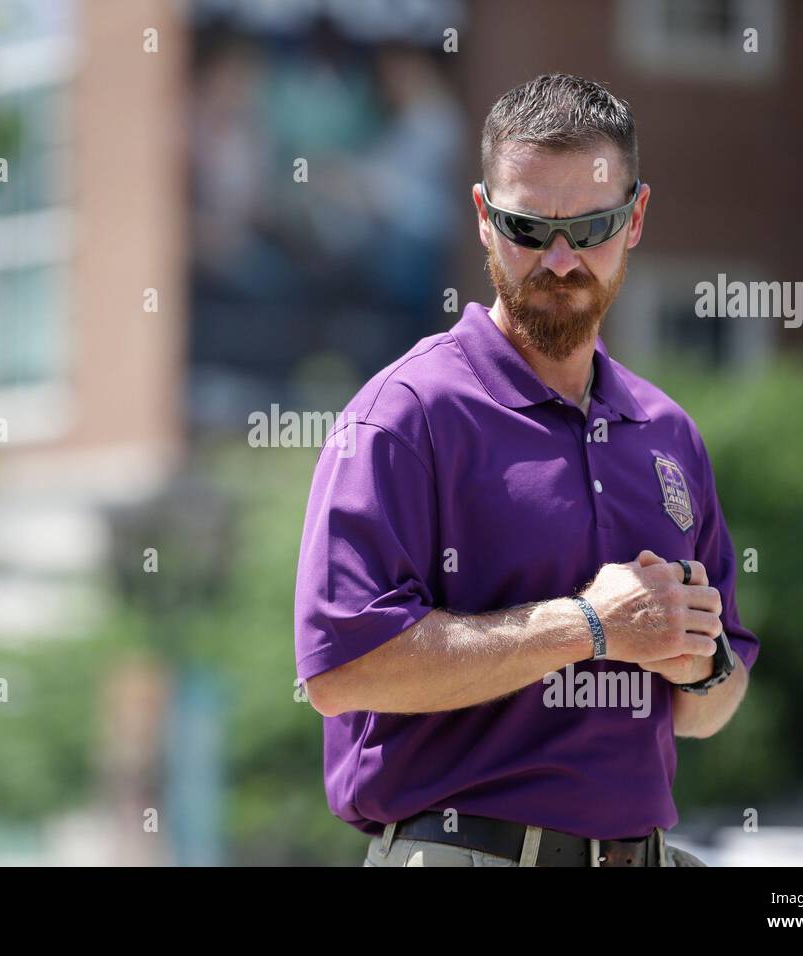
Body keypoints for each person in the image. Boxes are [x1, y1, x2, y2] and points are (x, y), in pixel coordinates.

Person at [293, 73, 759, 867]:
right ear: (481, 216)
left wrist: (698, 662)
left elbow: (712, 703)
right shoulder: (406, 414)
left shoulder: (667, 430)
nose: (561, 258)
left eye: (593, 226)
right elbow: (341, 669)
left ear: (637, 216)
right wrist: (589, 626)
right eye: (526, 226)